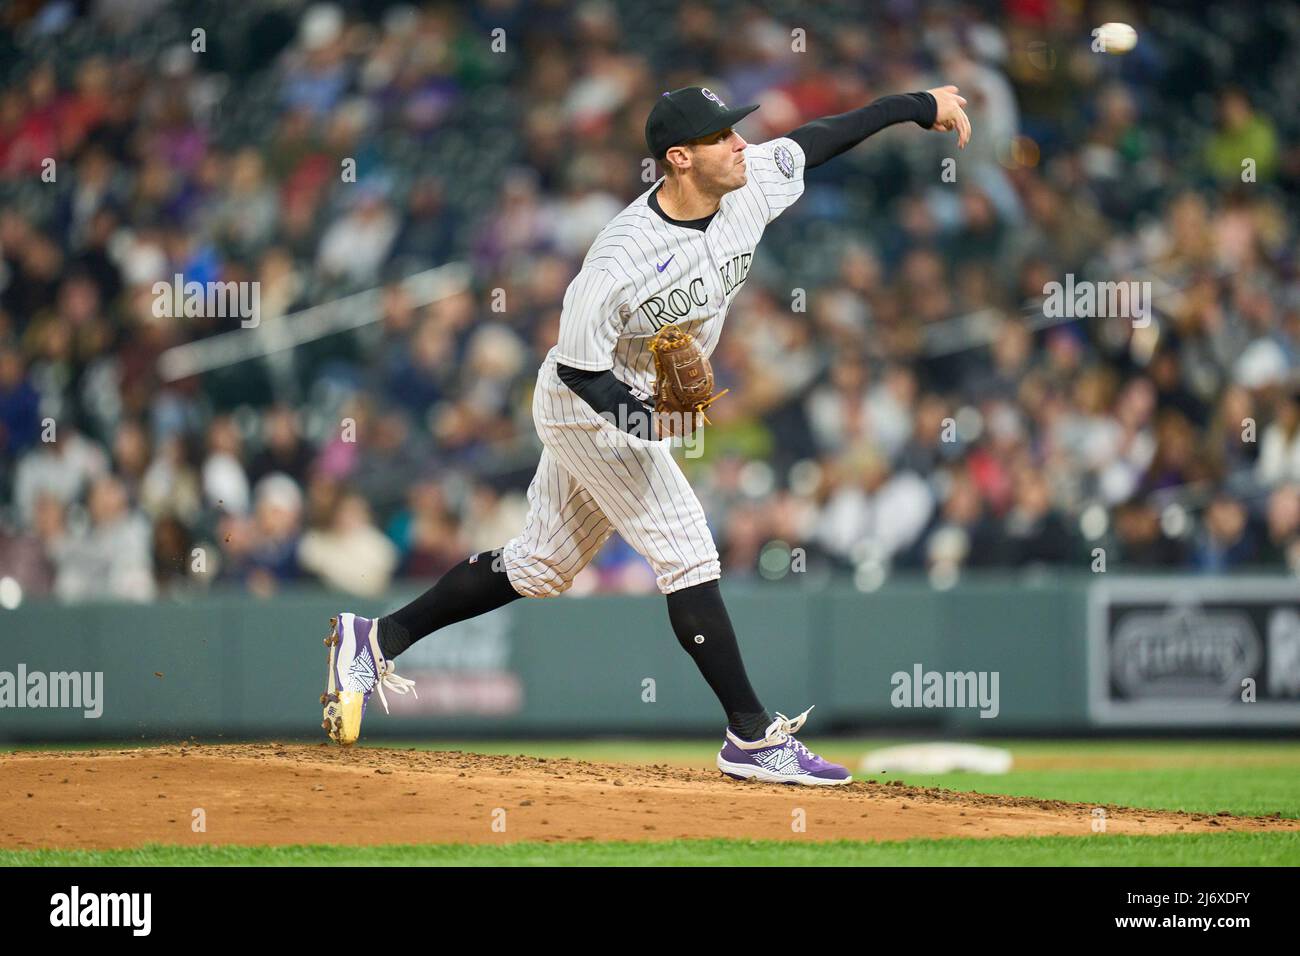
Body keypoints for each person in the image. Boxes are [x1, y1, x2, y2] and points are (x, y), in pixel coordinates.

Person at [320, 84, 972, 785]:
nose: (740, 143)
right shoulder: (618, 260)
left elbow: (824, 137)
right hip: (587, 404)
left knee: (542, 567)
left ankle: (376, 637)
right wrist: (650, 424)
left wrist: (917, 103)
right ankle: (752, 737)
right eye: (723, 136)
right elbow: (578, 371)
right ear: (680, 158)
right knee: (688, 549)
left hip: (626, 400)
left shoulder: (750, 184)